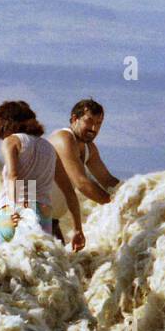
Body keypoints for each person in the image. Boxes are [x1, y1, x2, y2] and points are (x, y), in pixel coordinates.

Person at [0, 100, 83, 250]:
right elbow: (69, 191)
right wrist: (78, 228)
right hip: (43, 215)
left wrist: (15, 211)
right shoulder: (50, 149)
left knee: (6, 266)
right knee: (38, 267)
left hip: (12, 212)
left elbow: (13, 176)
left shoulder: (12, 141)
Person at [48, 98, 121, 242]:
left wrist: (135, 195)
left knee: (63, 263)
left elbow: (108, 180)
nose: (94, 129)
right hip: (25, 217)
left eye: (98, 124)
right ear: (75, 119)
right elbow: (81, 182)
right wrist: (117, 206)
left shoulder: (89, 149)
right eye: (89, 121)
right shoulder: (63, 139)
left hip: (51, 220)